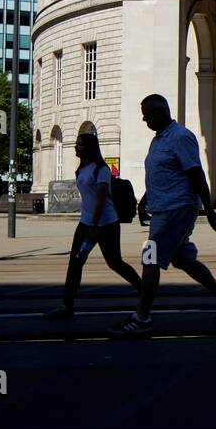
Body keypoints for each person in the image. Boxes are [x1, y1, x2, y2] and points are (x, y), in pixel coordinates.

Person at [108, 94, 216, 337]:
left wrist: (208, 209)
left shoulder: (180, 137)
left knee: (150, 258)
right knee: (183, 260)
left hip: (177, 208)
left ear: (162, 111)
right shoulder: (158, 140)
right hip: (163, 208)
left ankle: (142, 317)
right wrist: (145, 200)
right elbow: (161, 173)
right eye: (144, 115)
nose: (144, 119)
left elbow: (197, 173)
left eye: (148, 114)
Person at [44, 131, 142, 318]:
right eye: (76, 144)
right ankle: (67, 306)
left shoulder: (101, 170)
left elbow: (101, 199)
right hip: (86, 223)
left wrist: (94, 226)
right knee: (75, 263)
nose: (76, 147)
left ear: (89, 147)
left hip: (106, 224)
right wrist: (88, 223)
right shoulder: (81, 169)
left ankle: (144, 290)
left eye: (80, 145)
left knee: (114, 262)